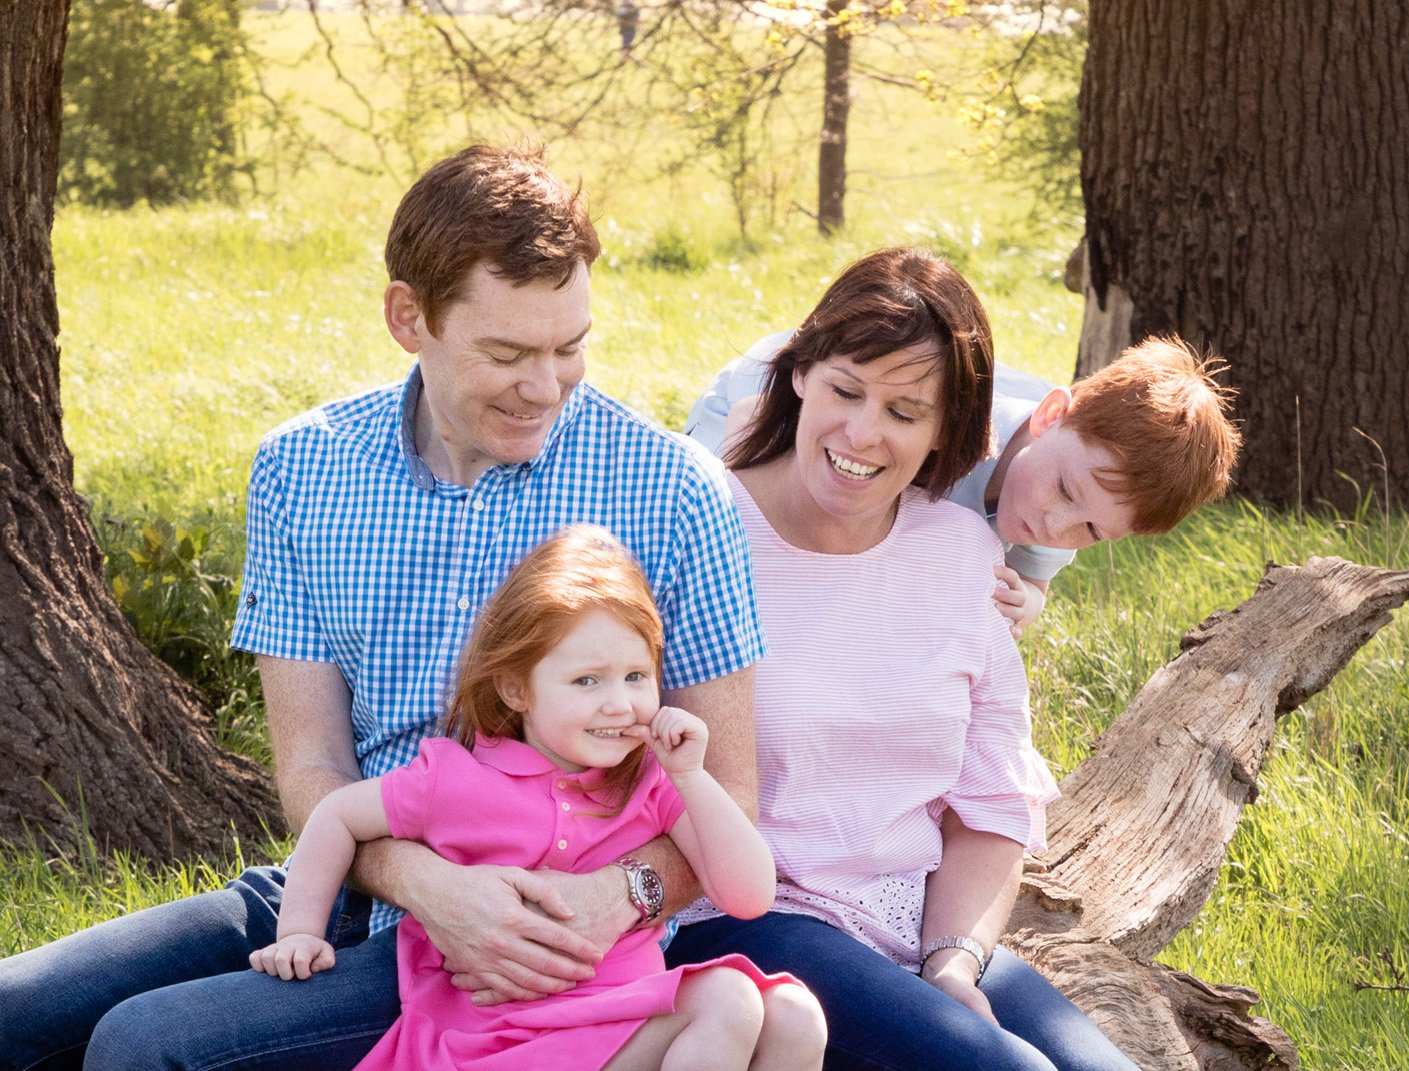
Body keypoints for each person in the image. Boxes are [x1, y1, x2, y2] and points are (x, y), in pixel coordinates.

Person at [0, 144, 764, 1070]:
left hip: (546, 939)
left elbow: (730, 793)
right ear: (411, 316)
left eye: (570, 347)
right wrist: (421, 878)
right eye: (507, 352)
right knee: (15, 1011)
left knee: (145, 1048)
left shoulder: (675, 490)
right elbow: (314, 761)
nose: (545, 387)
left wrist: (620, 895)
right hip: (349, 872)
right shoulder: (305, 468)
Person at [665, 247, 1147, 1069]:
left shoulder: (962, 552)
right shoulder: (695, 525)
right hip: (746, 922)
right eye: (847, 390)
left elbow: (992, 796)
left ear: (942, 432)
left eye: (904, 411)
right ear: (800, 376)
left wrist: (951, 957)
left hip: (910, 921)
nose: (863, 433)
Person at [249, 526, 825, 1071]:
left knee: (798, 1019)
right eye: (587, 681)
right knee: (726, 999)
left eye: (636, 676)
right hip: (498, 1037)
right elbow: (337, 814)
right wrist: (300, 929)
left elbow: (749, 895)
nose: (620, 704)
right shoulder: (457, 781)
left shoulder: (649, 782)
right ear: (515, 687)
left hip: (618, 1017)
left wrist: (693, 778)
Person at [685, 329, 1241, 633]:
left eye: (1092, 530)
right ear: (1049, 418)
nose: (1055, 525)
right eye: (1067, 492)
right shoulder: (954, 430)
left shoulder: (1075, 494)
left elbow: (1033, 583)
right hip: (772, 400)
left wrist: (1025, 602)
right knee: (751, 539)